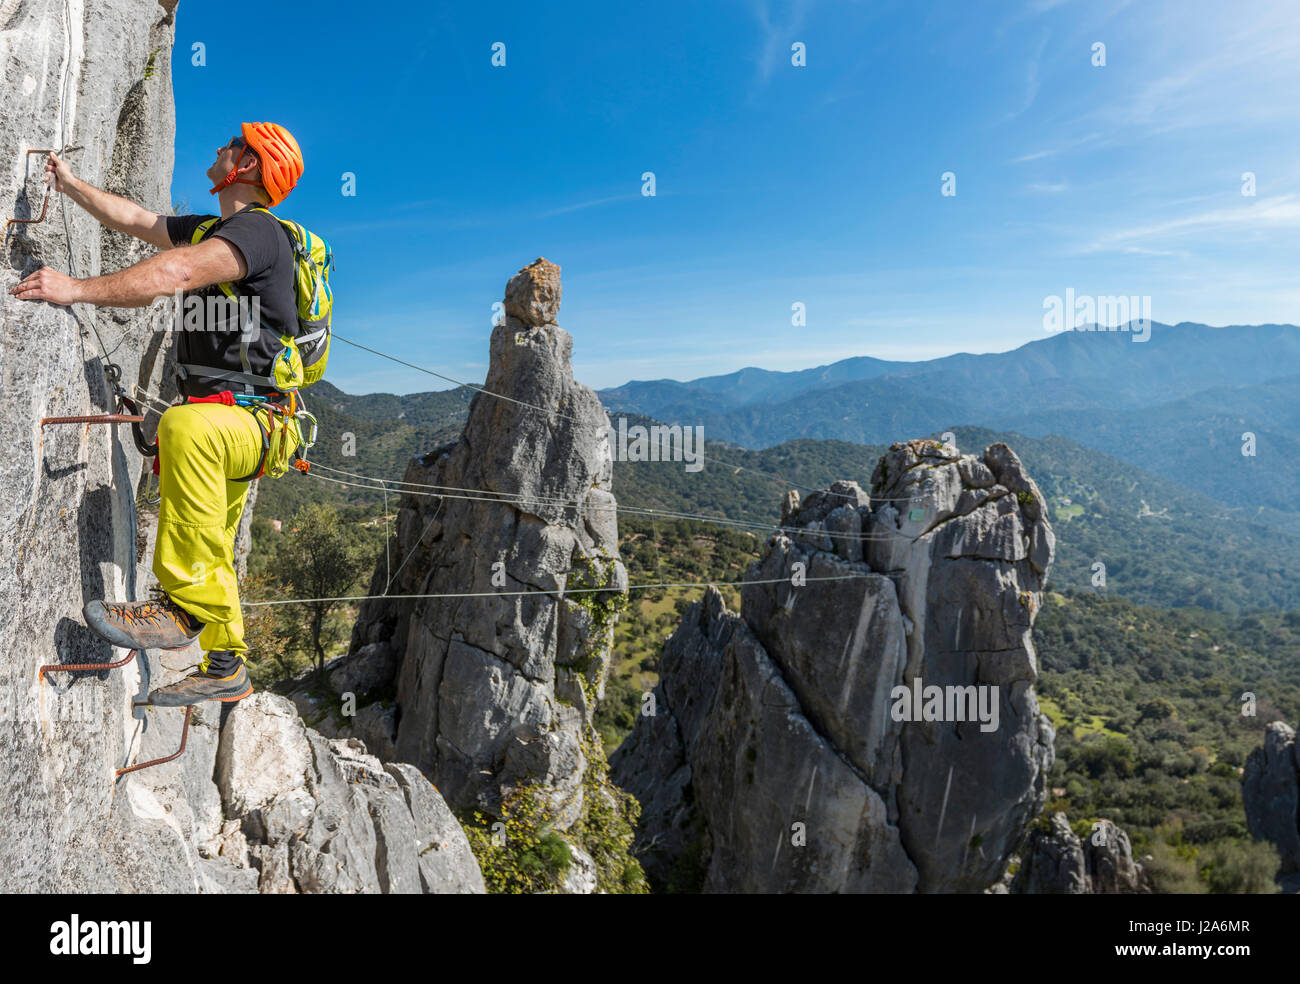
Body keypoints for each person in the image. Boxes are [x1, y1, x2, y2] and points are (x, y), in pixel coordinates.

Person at [10, 122, 307, 705]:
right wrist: (70, 185)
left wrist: (74, 289)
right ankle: (226, 665)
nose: (220, 148)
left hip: (248, 420)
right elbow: (137, 221)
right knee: (210, 540)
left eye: (232, 144)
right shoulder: (210, 227)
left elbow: (175, 273)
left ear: (246, 165)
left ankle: (179, 609)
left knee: (184, 427)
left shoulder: (258, 232)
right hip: (236, 420)